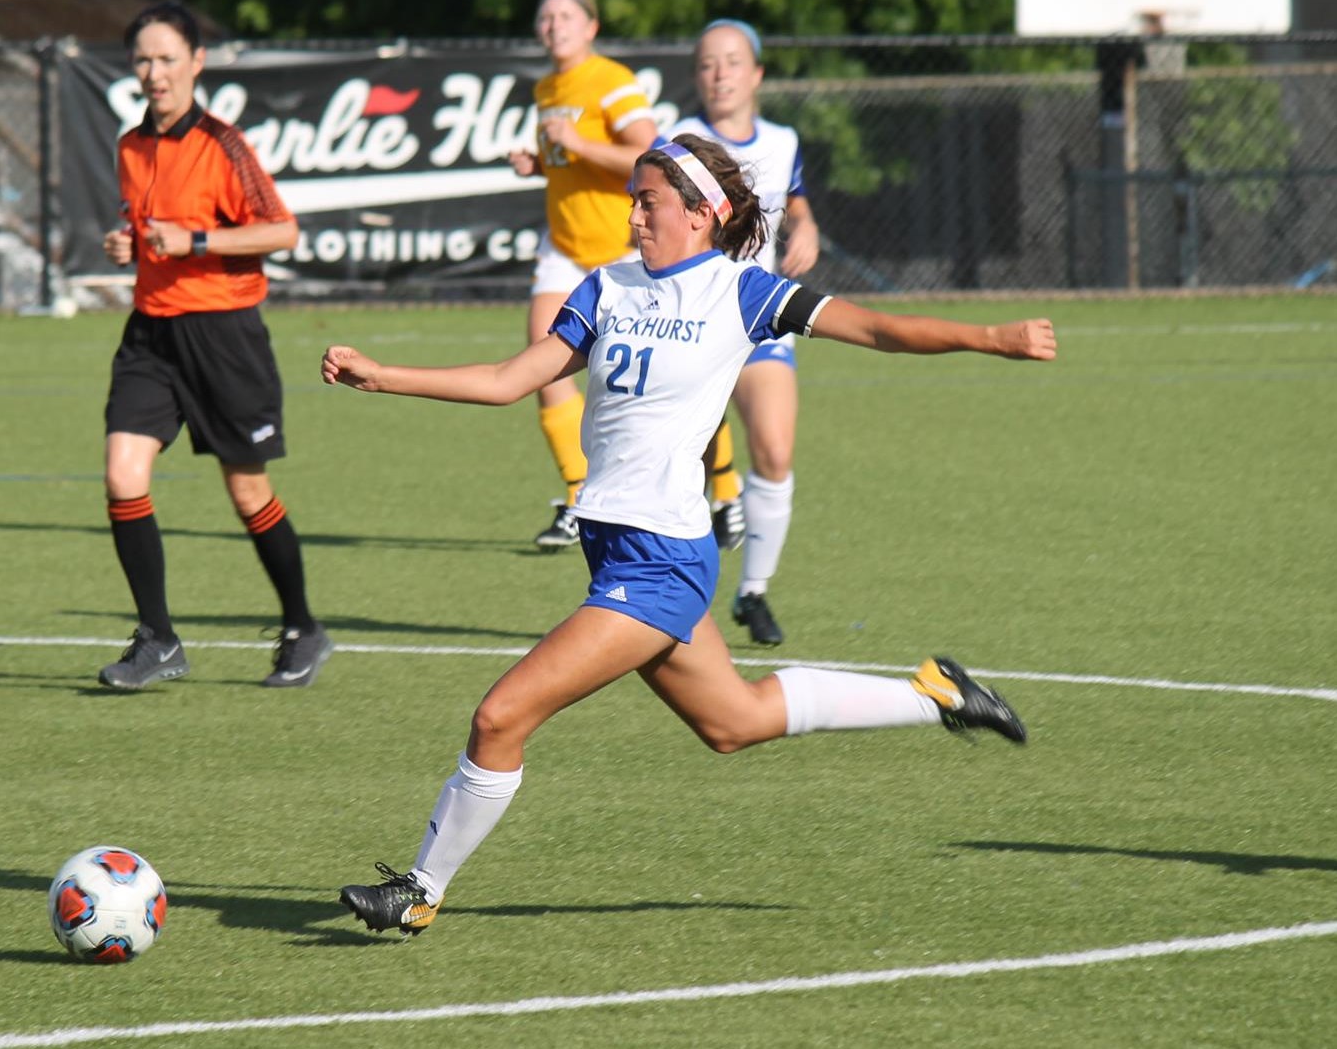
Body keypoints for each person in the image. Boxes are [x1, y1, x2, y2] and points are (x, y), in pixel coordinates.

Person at [321, 134, 1056, 936]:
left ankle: (421, 889)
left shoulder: (741, 292)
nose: (632, 213)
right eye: (632, 199)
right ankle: (935, 695)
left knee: (501, 716)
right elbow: (511, 380)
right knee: (731, 722)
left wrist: (991, 338)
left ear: (705, 213)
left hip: (662, 559)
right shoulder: (604, 288)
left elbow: (875, 327)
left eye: (649, 201)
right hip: (620, 551)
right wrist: (384, 375)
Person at [94, 2, 332, 691]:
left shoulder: (223, 145)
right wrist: (130, 245)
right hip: (150, 333)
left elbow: (281, 231)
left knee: (247, 488)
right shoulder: (130, 145)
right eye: (143, 59)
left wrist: (197, 241)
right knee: (121, 474)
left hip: (224, 336)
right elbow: (147, 231)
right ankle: (157, 638)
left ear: (196, 62)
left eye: (168, 58)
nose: (154, 72)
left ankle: (302, 627)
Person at [668, 18, 820, 647]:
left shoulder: (782, 140)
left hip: (756, 317)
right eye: (707, 63)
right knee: (688, 465)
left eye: (733, 61)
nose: (720, 73)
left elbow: (796, 197)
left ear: (757, 72)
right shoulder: (678, 143)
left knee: (777, 452)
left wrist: (807, 225)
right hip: (688, 321)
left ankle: (753, 592)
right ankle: (677, 594)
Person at [507, 0, 660, 551]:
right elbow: (569, 162)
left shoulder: (612, 81)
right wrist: (539, 164)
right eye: (546, 17)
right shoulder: (548, 86)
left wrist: (575, 142)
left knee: (645, 380)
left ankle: (719, 487)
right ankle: (579, 499)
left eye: (567, 16)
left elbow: (650, 153)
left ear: (591, 26)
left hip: (622, 247)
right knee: (543, 366)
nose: (554, 26)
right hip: (564, 246)